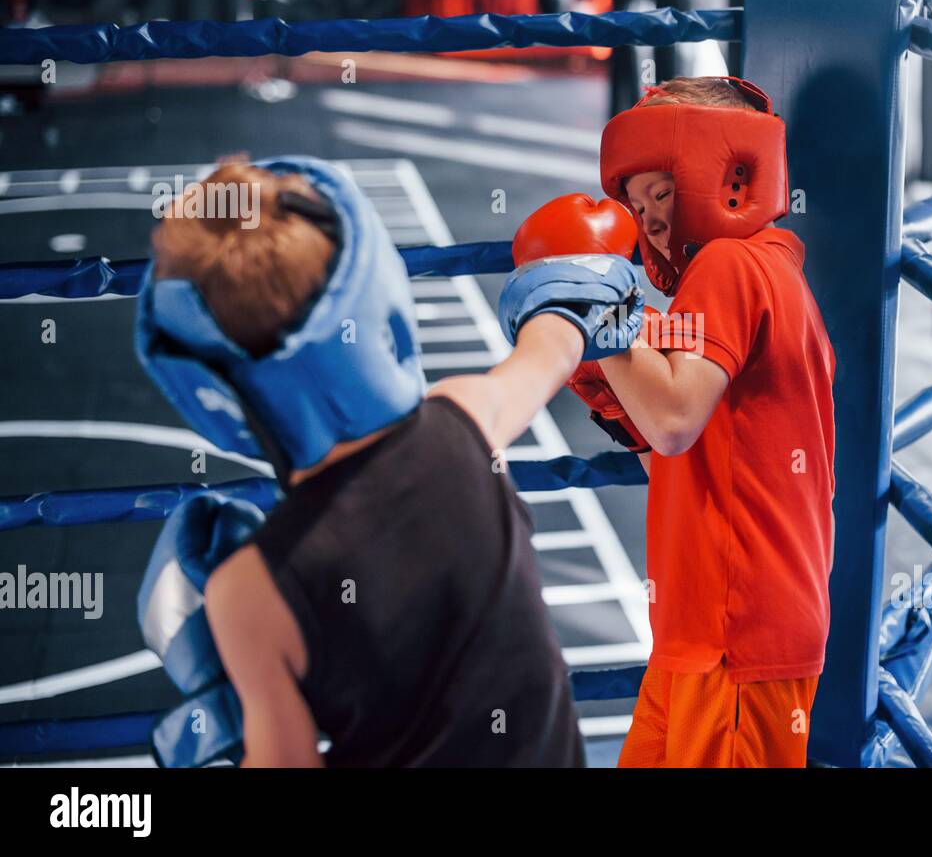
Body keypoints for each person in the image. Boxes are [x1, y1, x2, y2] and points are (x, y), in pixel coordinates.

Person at [135, 155, 642, 767]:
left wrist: (228, 713)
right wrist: (581, 278)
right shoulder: (465, 420)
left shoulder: (249, 594)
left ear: (204, 385)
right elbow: (554, 346)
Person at [575, 76, 837, 767]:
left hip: (736, 642)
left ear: (729, 176)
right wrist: (609, 386)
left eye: (661, 194)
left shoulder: (730, 263)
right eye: (637, 206)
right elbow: (670, 445)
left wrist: (595, 316)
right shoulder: (766, 272)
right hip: (705, 633)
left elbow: (672, 420)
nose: (649, 221)